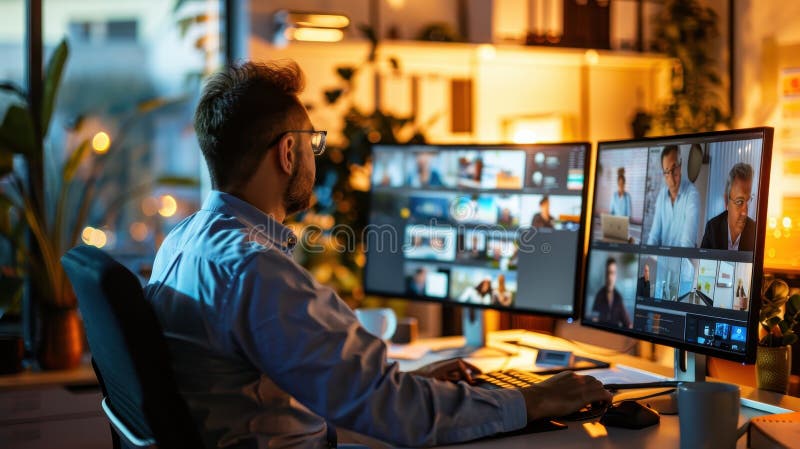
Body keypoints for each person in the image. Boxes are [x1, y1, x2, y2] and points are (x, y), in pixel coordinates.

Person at [144, 61, 611, 448]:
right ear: (288, 152)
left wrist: (408, 383)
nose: (315, 155)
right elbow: (393, 413)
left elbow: (284, 387)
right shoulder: (256, 270)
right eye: (312, 142)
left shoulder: (182, 243)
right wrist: (532, 401)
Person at [646, 145, 700, 247]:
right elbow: (654, 236)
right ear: (663, 174)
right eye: (666, 171)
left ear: (680, 165)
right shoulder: (661, 195)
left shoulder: (692, 195)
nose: (671, 177)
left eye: (674, 168)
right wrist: (649, 259)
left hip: (681, 261)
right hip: (661, 259)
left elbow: (687, 244)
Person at [701, 163, 756, 251]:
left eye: (748, 200)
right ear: (726, 201)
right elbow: (703, 263)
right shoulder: (713, 229)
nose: (745, 212)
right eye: (739, 202)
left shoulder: (755, 232)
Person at [591, 257, 632, 329]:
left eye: (612, 273)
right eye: (608, 273)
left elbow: (627, 323)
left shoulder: (618, 297)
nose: (610, 277)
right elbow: (593, 320)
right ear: (605, 274)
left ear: (616, 276)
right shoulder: (599, 295)